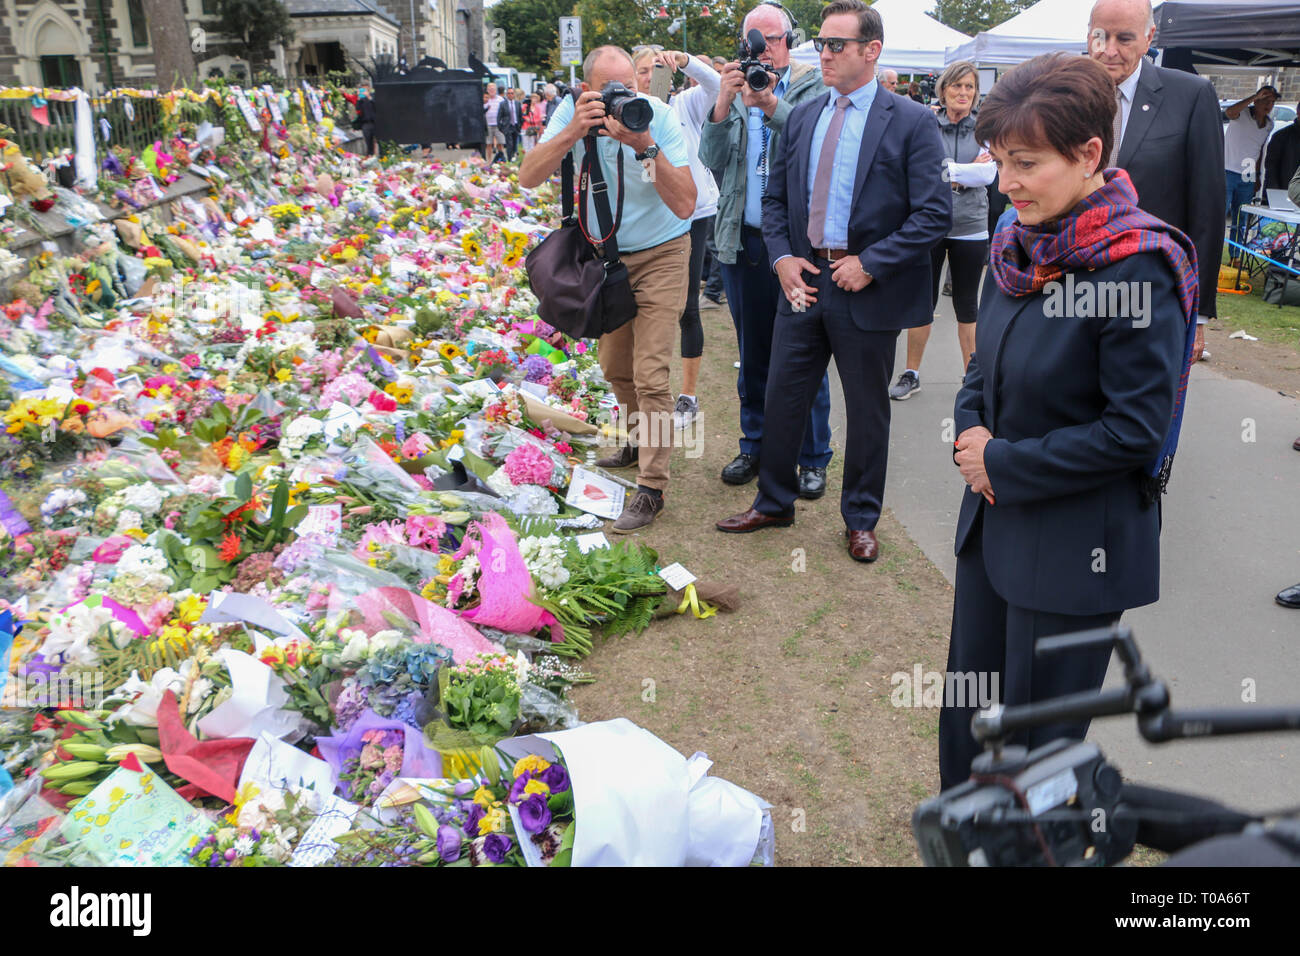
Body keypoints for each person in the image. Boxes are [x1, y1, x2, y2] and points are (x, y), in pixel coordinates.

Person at [938, 53, 1196, 789]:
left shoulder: (1133, 267)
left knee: (1035, 752)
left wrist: (1003, 463)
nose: (1007, 182)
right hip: (992, 529)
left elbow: (1132, 431)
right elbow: (983, 370)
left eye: (1025, 162)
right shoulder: (1019, 245)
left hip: (1075, 550)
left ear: (1088, 155)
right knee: (971, 718)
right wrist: (971, 433)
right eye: (998, 162)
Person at [715, 0, 951, 564]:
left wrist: (871, 262)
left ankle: (861, 518)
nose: (823, 53)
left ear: (872, 51)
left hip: (865, 287)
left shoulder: (912, 121)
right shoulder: (802, 115)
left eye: (836, 44)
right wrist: (781, 259)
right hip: (804, 279)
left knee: (867, 409)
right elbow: (774, 199)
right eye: (820, 43)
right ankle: (774, 501)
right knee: (782, 395)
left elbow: (933, 213)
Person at [520, 46, 697, 533]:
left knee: (651, 374)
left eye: (630, 88)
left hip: (662, 252)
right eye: (609, 91)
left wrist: (644, 146)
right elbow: (527, 175)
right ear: (585, 89)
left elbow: (686, 204)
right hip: (607, 259)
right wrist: (575, 131)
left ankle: (651, 487)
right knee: (616, 368)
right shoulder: (570, 114)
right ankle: (639, 440)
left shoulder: (656, 117)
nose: (622, 98)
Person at [699, 0, 835, 498]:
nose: (762, 50)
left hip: (798, 248)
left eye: (771, 39)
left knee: (805, 353)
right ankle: (754, 444)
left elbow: (817, 145)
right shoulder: (733, 89)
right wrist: (722, 101)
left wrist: (772, 104)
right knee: (752, 353)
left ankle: (812, 454)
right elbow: (710, 160)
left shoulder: (812, 86)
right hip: (745, 243)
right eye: (753, 40)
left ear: (789, 41)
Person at [1087, 0, 1222, 361]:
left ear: (1150, 39)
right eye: (1101, 36)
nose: (1110, 50)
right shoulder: (1064, 94)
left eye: (1125, 38)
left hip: (1152, 290)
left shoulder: (1190, 96)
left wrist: (1199, 313)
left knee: (1143, 408)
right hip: (1072, 289)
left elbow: (1206, 208)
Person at [889, 59, 991, 401]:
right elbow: (922, 168)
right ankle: (911, 373)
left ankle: (971, 379)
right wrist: (964, 171)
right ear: (943, 89)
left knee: (967, 306)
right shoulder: (926, 123)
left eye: (970, 87)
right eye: (957, 86)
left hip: (971, 226)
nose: (963, 93)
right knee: (923, 302)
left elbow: (989, 176)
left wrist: (948, 170)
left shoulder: (985, 127)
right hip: (929, 225)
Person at [634, 49, 722, 430]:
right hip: (652, 217)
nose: (649, 76)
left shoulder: (685, 104)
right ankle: (647, 393)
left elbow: (717, 85)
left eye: (656, 68)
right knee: (645, 309)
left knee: (687, 307)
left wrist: (685, 61)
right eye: (642, 70)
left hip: (694, 214)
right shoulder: (631, 114)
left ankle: (687, 395)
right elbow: (643, 172)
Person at [1224, 85, 1277, 266]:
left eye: (1272, 102)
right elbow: (1229, 112)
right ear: (1258, 100)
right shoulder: (1243, 113)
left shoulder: (1269, 124)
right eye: (1266, 100)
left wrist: (1258, 174)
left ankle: (1235, 256)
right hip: (1228, 169)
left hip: (1248, 173)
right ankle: (1212, 251)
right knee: (1220, 212)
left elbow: (1261, 149)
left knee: (1241, 218)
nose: (1269, 105)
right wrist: (1253, 97)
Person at [1264, 100, 1300, 194]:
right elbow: (1271, 166)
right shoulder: (1281, 136)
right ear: (1298, 112)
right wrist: (1275, 192)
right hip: (1286, 193)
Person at [484, 83, 506, 163]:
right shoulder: (485, 99)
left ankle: (501, 160)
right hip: (488, 124)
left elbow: (504, 111)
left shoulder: (501, 99)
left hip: (498, 124)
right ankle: (489, 161)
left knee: (500, 143)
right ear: (487, 90)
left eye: (493, 89)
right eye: (490, 89)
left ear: (496, 90)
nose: (491, 91)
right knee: (488, 144)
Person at [500, 88, 524, 161]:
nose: (510, 95)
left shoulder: (517, 103)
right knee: (509, 144)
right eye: (509, 93)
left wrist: (520, 125)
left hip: (516, 126)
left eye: (512, 93)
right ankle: (509, 159)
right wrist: (501, 127)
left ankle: (514, 158)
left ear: (514, 94)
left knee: (515, 144)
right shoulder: (503, 104)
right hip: (508, 126)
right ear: (506, 94)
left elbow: (520, 115)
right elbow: (499, 116)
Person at [354, 86, 377, 157]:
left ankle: (380, 155)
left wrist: (369, 97)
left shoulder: (373, 96)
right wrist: (358, 98)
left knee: (378, 140)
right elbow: (358, 109)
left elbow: (377, 106)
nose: (364, 91)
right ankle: (370, 154)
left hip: (375, 122)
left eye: (365, 89)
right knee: (368, 140)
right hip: (366, 123)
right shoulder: (361, 99)